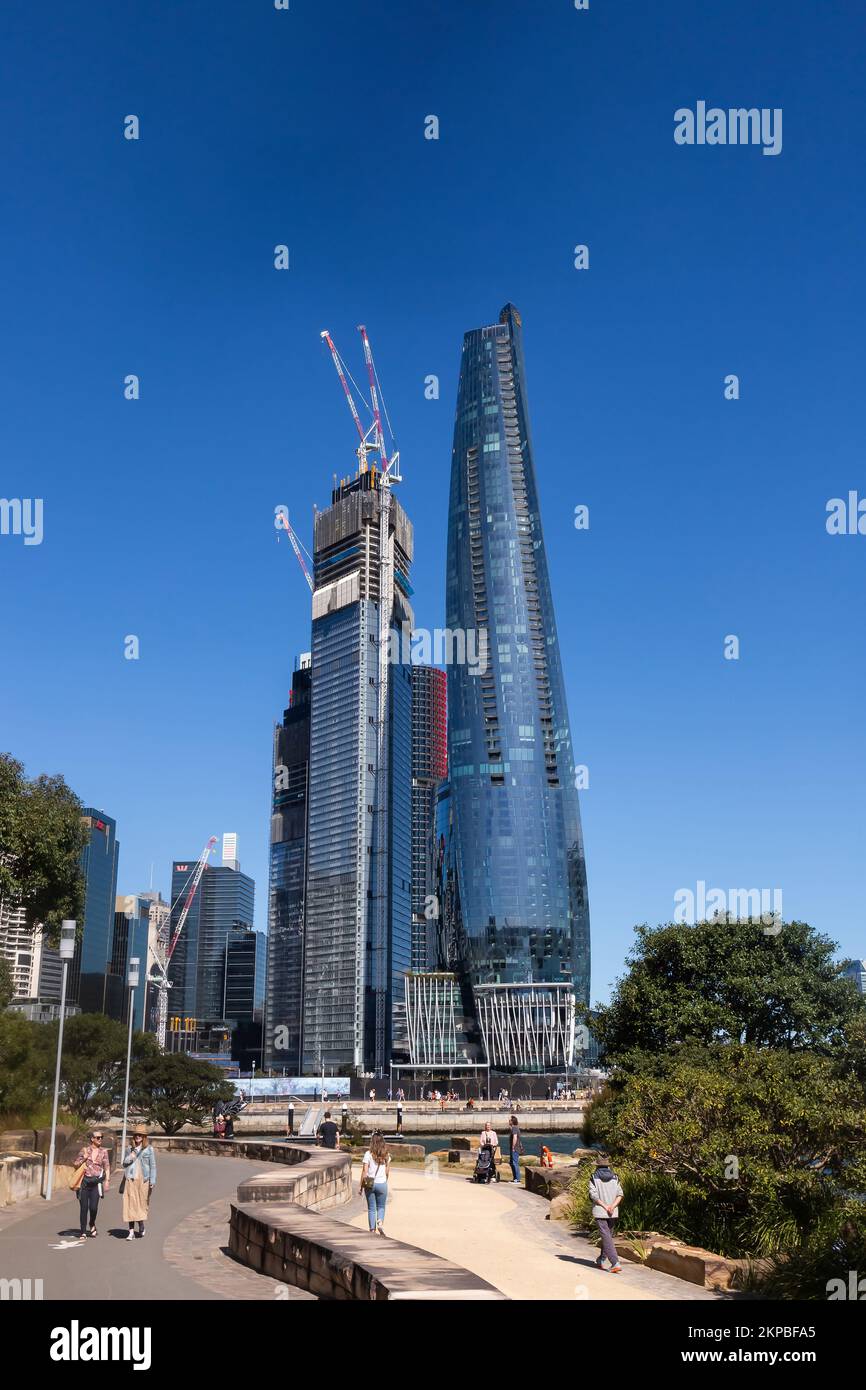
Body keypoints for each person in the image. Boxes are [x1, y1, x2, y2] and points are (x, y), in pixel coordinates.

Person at [121, 1126, 157, 1240]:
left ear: (144, 1137)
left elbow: (153, 1166)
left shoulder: (149, 1149)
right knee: (130, 1204)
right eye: (136, 1135)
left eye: (140, 1135)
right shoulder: (129, 1148)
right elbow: (124, 1163)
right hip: (130, 1179)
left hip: (143, 1180)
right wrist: (132, 1154)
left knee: (141, 1204)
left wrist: (153, 1180)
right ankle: (131, 1232)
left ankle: (141, 1225)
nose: (137, 1136)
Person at [74, 1129, 110, 1240]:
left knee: (93, 1208)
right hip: (84, 1183)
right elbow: (75, 1165)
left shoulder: (104, 1152)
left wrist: (107, 1181)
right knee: (84, 1208)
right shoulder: (85, 1150)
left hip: (96, 1183)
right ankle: (83, 1231)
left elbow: (107, 1167)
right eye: (98, 1137)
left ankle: (92, 1223)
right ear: (92, 1139)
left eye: (101, 1137)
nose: (100, 1139)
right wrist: (83, 1158)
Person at [589, 1160, 624, 1274]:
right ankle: (601, 1259)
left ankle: (615, 1263)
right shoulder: (615, 1177)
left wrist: (605, 1206)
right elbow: (620, 1194)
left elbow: (593, 1195)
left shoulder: (594, 1177)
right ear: (608, 1166)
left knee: (606, 1236)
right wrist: (612, 1206)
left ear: (597, 1166)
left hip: (600, 1211)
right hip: (613, 1212)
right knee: (607, 1236)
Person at [360, 1132, 391, 1236]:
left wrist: (361, 1186)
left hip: (370, 1183)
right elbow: (387, 1172)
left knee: (371, 1208)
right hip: (382, 1183)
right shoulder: (386, 1155)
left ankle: (372, 1230)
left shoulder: (368, 1154)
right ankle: (380, 1223)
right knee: (381, 1206)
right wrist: (384, 1181)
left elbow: (364, 1171)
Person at [508, 1114, 523, 1184]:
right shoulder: (515, 1128)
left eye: (510, 1120)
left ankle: (518, 1179)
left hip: (515, 1148)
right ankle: (515, 1178)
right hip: (515, 1148)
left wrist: (513, 1147)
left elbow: (515, 1137)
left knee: (514, 1163)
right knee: (511, 1163)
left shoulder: (514, 1128)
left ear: (512, 1121)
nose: (508, 1121)